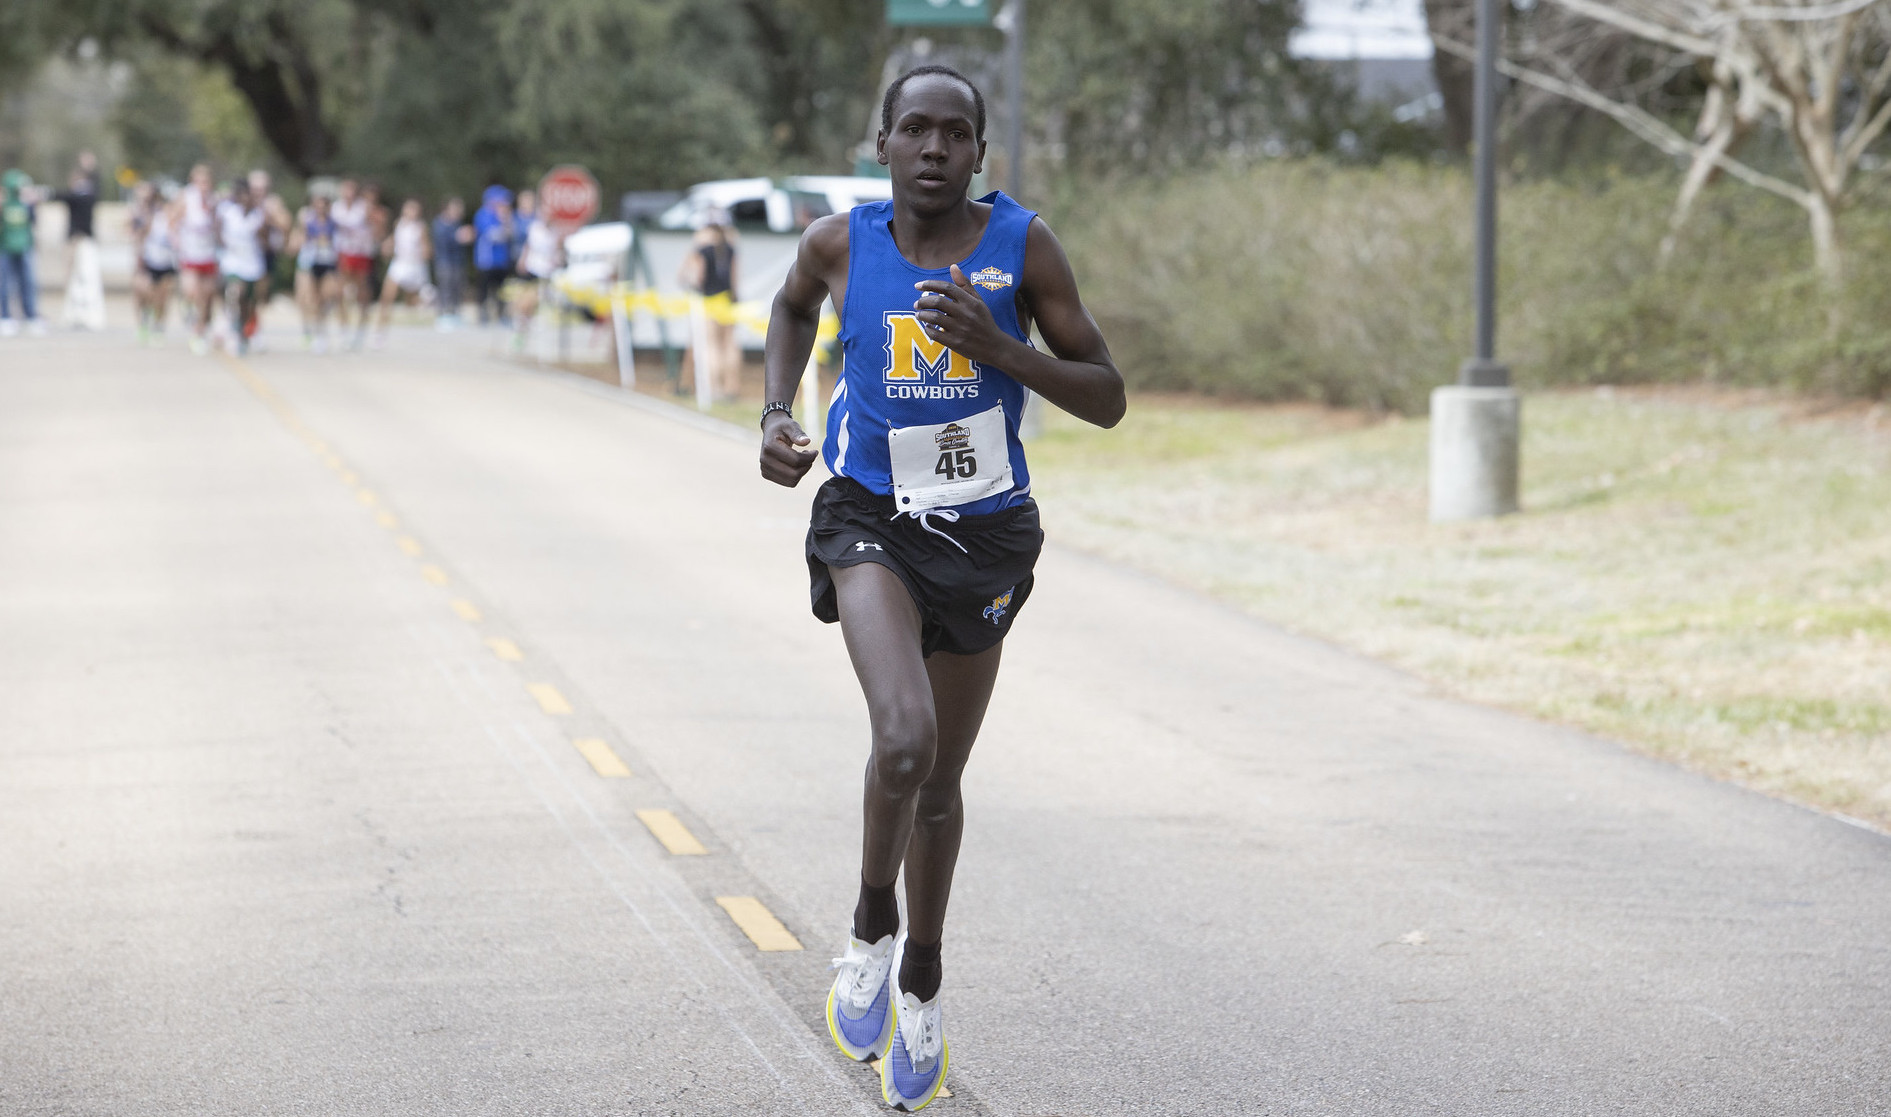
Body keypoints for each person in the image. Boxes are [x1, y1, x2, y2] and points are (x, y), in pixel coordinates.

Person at [757, 66, 1124, 1112]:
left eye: (952, 133)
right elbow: (787, 308)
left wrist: (1000, 348)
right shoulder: (840, 244)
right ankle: (869, 926)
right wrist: (776, 410)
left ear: (977, 154)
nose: (931, 148)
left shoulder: (1024, 248)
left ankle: (922, 971)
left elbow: (1107, 396)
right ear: (882, 144)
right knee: (903, 738)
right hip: (869, 515)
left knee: (942, 783)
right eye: (912, 128)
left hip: (985, 535)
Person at [678, 214, 742, 400]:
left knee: (710, 346)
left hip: (709, 301)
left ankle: (714, 387)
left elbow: (698, 277)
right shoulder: (730, 248)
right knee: (730, 346)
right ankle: (731, 387)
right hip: (727, 301)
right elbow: (734, 279)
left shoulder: (703, 250)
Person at [216, 179, 269, 355]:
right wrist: (224, 244)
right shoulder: (229, 213)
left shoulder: (259, 216)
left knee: (248, 302)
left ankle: (244, 333)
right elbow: (218, 230)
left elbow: (266, 240)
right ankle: (233, 328)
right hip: (233, 261)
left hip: (252, 264)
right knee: (235, 292)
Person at [371, 197, 432, 346]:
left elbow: (427, 248)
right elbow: (394, 239)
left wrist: (424, 253)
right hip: (399, 264)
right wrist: (387, 246)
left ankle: (427, 297)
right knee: (386, 298)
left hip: (414, 266)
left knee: (410, 302)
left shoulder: (420, 227)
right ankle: (380, 333)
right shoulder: (399, 224)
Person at [175, 164, 222, 354]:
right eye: (199, 181)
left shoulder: (215, 201)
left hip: (209, 254)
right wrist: (177, 241)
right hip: (190, 254)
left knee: (206, 296)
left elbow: (220, 226)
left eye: (206, 182)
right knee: (192, 291)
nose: (203, 185)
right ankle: (189, 311)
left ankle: (199, 332)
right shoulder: (186, 198)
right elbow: (172, 220)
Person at [57, 152, 105, 330]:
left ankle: (91, 316)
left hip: (85, 239)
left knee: (88, 278)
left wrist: (89, 168)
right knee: (72, 280)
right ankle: (73, 315)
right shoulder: (73, 195)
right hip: (73, 240)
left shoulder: (87, 194)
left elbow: (91, 191)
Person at [289, 191, 341, 352]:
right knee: (308, 298)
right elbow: (296, 243)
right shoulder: (306, 221)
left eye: (323, 204)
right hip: (309, 262)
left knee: (325, 298)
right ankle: (308, 330)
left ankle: (320, 331)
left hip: (326, 262)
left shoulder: (333, 223)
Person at [509, 188, 560, 353]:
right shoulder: (535, 228)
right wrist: (523, 261)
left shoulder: (556, 232)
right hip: (532, 269)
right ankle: (521, 332)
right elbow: (528, 246)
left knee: (534, 303)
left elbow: (558, 252)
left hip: (546, 273)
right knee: (524, 303)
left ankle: (525, 331)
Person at [130, 181, 178, 344]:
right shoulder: (139, 214)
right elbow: (132, 232)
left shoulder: (167, 214)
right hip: (146, 260)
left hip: (165, 261)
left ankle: (158, 325)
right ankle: (143, 323)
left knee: (162, 297)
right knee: (141, 291)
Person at [0, 169, 46, 336]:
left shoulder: (27, 205)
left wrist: (34, 203)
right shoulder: (4, 205)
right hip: (5, 248)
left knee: (28, 283)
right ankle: (5, 317)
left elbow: (34, 224)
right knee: (4, 284)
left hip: (25, 248)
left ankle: (31, 317)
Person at [332, 178, 376, 344]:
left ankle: (361, 329)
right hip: (344, 252)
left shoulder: (363, 208)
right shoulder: (336, 208)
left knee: (362, 292)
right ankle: (344, 328)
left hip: (362, 253)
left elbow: (374, 227)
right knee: (340, 292)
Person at [472, 185, 515, 326]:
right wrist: (504, 224)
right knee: (484, 289)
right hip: (487, 260)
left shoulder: (505, 216)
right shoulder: (483, 214)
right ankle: (483, 314)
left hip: (502, 260)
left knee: (502, 290)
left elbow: (512, 233)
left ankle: (502, 315)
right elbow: (492, 235)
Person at [430, 196, 472, 330]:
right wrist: (457, 237)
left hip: (457, 261)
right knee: (445, 288)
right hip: (444, 261)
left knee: (457, 288)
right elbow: (442, 242)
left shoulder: (457, 224)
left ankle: (455, 313)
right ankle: (443, 314)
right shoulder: (439, 223)